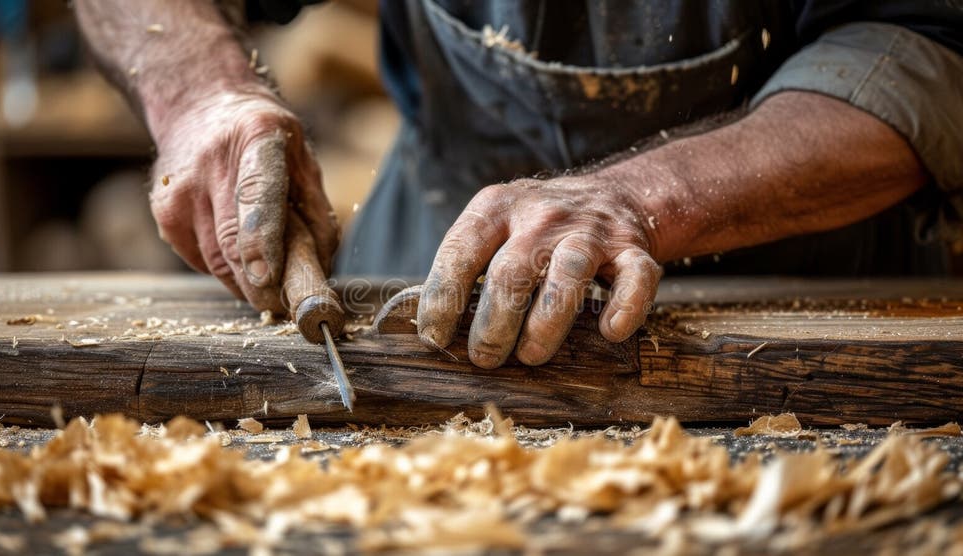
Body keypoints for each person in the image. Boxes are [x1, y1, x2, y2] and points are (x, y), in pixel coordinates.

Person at [74, 1, 963, 369]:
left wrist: (637, 199)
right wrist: (198, 92)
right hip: (434, 248)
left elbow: (929, 45)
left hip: (801, 266)